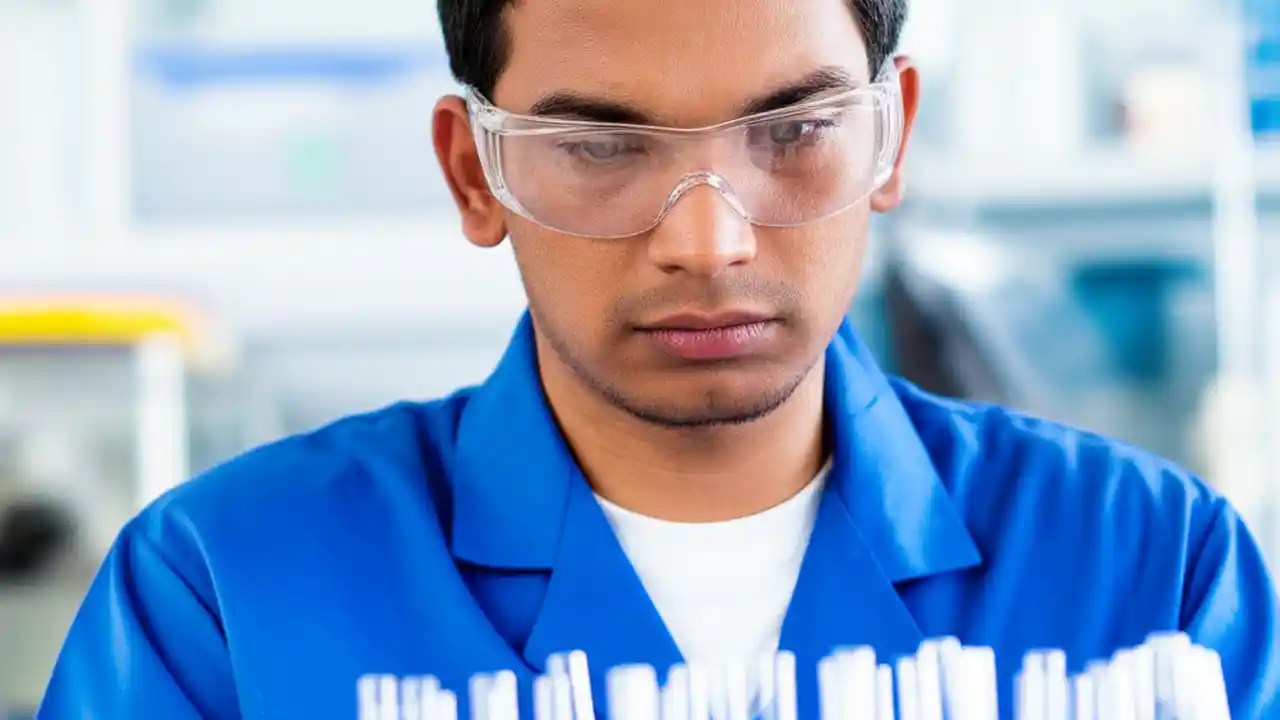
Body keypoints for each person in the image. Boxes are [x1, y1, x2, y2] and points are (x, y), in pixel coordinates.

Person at [37, 0, 1280, 717]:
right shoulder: (223, 598)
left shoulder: (1153, 575)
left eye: (793, 130)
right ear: (475, 170)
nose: (708, 236)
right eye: (598, 148)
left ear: (889, 138)